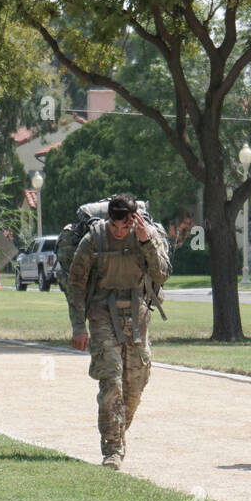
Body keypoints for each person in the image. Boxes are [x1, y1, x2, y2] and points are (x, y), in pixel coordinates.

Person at [66, 194, 172, 470]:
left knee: (135, 384)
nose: (121, 232)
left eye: (126, 226)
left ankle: (118, 432)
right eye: (117, 226)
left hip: (137, 314)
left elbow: (161, 275)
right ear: (109, 219)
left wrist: (146, 241)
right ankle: (112, 450)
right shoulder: (94, 240)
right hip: (102, 312)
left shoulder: (144, 236)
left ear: (134, 219)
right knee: (111, 380)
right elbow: (76, 284)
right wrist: (79, 326)